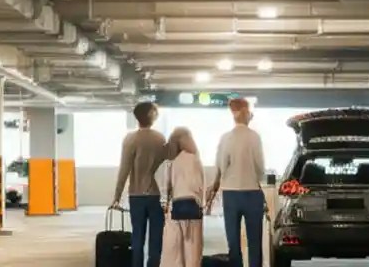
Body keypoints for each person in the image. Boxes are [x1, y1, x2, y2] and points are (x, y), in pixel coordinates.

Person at [208, 98, 266, 267]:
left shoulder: (226, 138)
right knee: (254, 240)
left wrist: (218, 183)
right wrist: (256, 177)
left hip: (231, 193)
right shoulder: (254, 137)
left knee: (233, 240)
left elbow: (221, 165)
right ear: (247, 113)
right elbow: (260, 166)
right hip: (252, 192)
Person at [113, 102, 169, 267]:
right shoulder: (160, 139)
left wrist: (117, 196)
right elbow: (166, 169)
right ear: (151, 115)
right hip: (156, 195)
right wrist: (168, 195)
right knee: (156, 238)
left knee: (137, 236)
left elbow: (124, 169)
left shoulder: (130, 139)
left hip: (136, 195)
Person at [159, 127, 206, 267]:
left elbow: (166, 186)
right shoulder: (195, 159)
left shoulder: (171, 162)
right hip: (193, 205)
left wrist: (166, 205)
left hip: (177, 206)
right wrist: (202, 203)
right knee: (193, 250)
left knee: (176, 252)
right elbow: (199, 184)